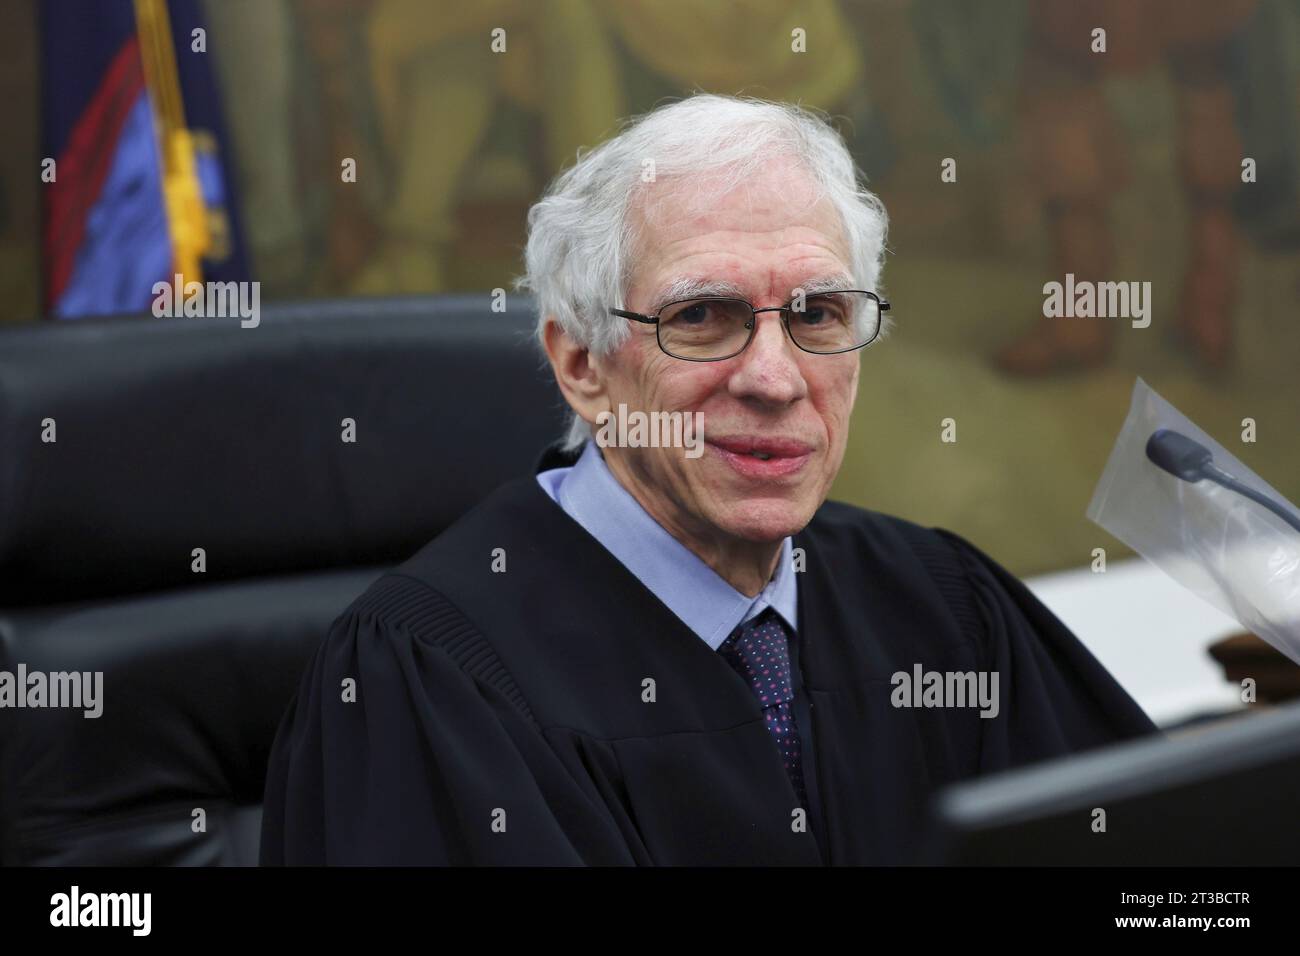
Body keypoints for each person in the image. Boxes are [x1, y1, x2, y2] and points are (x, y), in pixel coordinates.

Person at [261, 94, 1157, 866]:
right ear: (581, 365)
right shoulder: (423, 681)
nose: (774, 377)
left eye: (818, 313)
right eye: (701, 316)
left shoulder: (945, 609)